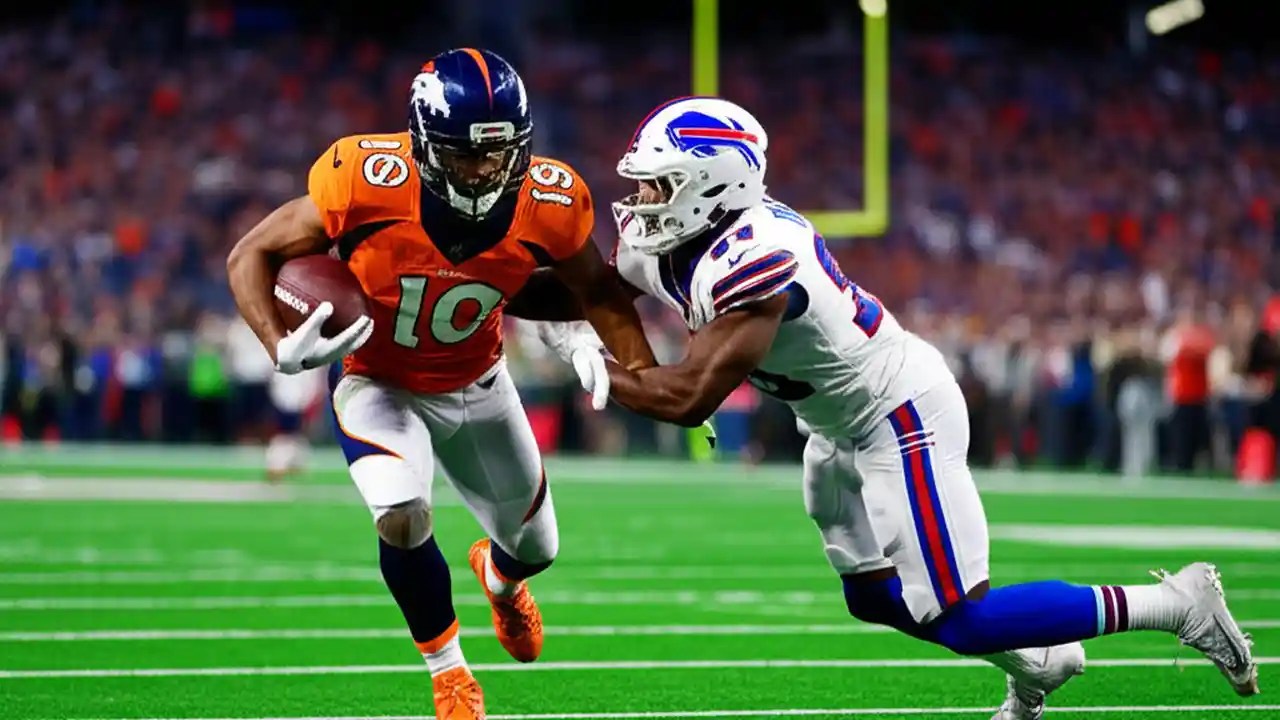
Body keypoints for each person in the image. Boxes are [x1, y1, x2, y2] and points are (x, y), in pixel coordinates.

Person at [521, 96, 1259, 719]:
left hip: (897, 415)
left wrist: (594, 367)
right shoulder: (678, 238)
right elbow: (593, 289)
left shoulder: (759, 258)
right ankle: (1039, 664)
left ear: (710, 187)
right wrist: (475, 288)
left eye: (660, 185)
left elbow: (688, 397)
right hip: (833, 426)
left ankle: (1177, 605)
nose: (643, 201)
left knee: (959, 615)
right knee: (872, 600)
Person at [226, 48, 655, 720]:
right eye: (464, 154)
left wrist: (633, 365)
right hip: (378, 380)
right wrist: (277, 345)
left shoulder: (551, 199)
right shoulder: (364, 176)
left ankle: (501, 578)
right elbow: (250, 252)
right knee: (400, 515)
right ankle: (449, 673)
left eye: (499, 152)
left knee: (537, 549)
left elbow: (588, 288)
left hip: (477, 380)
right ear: (424, 143)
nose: (485, 169)